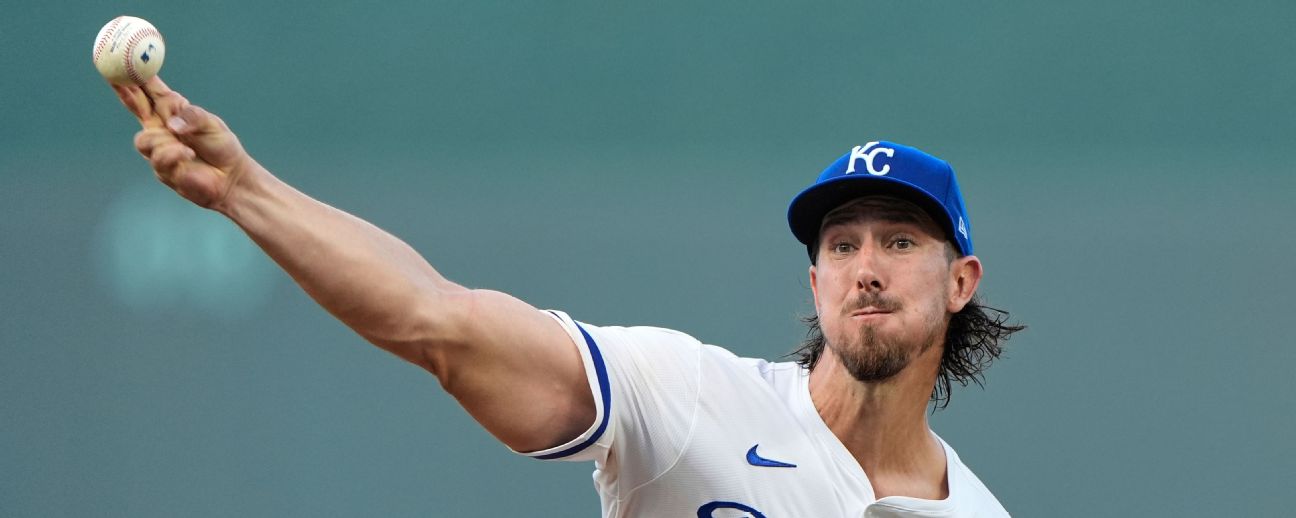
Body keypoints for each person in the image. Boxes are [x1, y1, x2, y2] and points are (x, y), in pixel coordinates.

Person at [112, 77, 1024, 517]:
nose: (867, 267)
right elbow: (439, 321)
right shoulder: (690, 397)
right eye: (842, 244)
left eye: (901, 241)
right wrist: (243, 190)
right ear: (814, 281)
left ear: (961, 282)